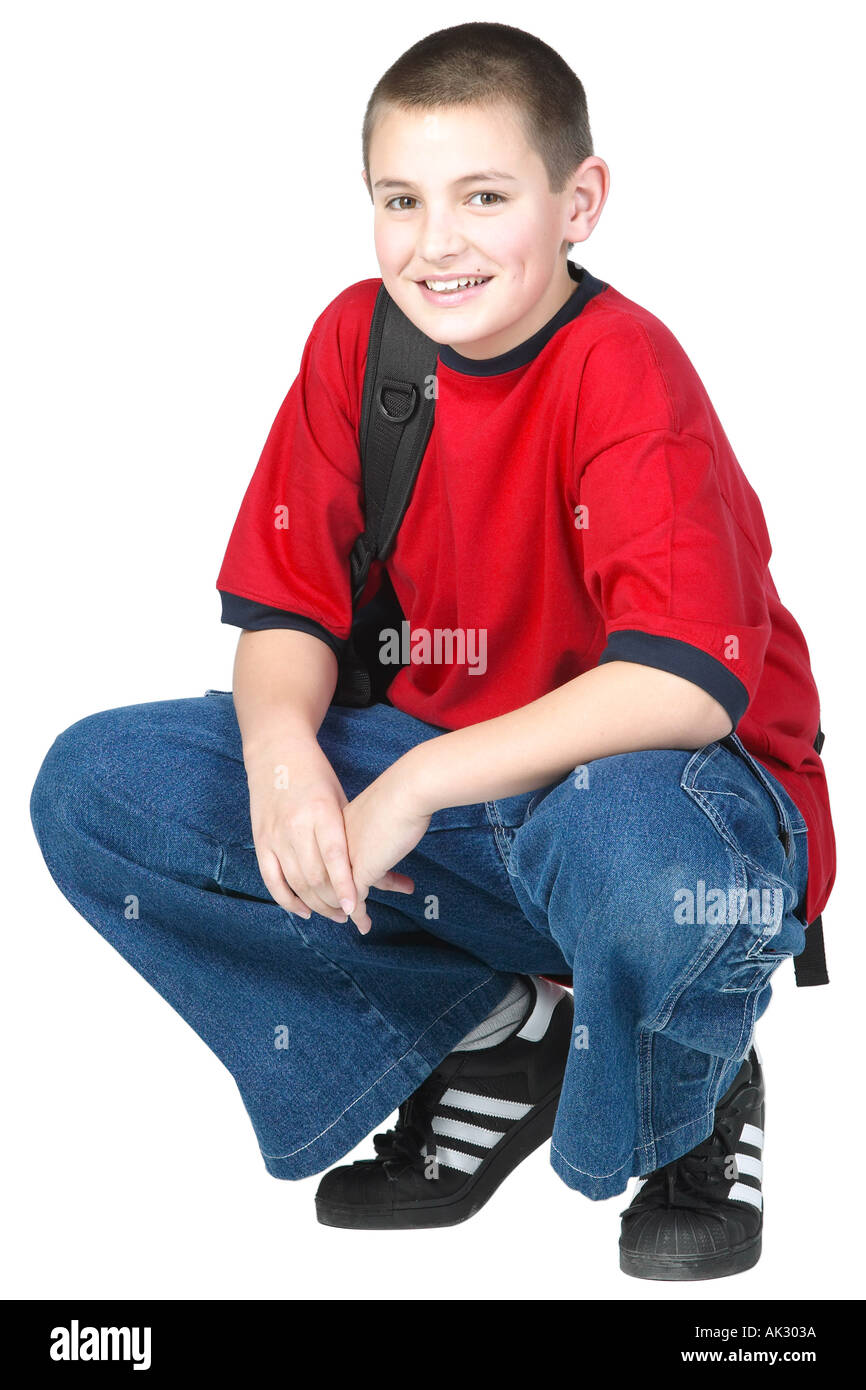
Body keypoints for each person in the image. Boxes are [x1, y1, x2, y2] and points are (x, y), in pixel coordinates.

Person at [29, 21, 835, 1281]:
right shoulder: (363, 345)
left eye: (483, 197)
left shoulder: (624, 371)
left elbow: (680, 686)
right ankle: (485, 1035)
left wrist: (407, 785)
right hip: (473, 808)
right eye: (400, 200)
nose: (435, 243)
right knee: (100, 787)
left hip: (664, 805)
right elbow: (284, 611)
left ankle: (695, 1086)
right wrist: (283, 744)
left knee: (626, 842)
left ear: (579, 203)